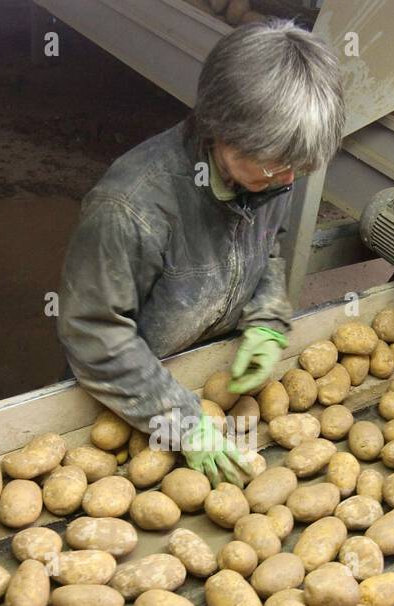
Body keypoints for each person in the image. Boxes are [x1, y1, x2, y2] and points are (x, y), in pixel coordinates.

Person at [56, 20, 345, 485]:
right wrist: (181, 422)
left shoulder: (271, 170)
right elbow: (93, 331)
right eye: (276, 165)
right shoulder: (129, 208)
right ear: (221, 130)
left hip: (207, 372)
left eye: (298, 166)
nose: (289, 180)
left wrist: (268, 318)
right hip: (128, 385)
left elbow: (267, 244)